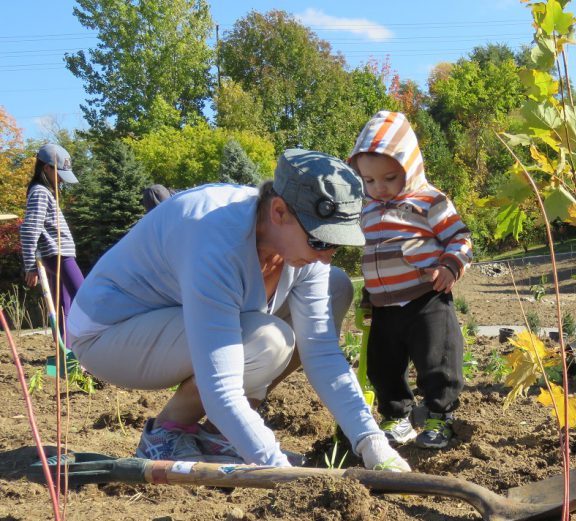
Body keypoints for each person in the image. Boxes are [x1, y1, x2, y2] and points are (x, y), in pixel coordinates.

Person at [66, 149, 410, 471]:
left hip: (175, 324)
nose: (325, 254)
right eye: (320, 241)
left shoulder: (299, 239)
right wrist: (277, 469)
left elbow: (321, 352)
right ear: (278, 212)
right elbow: (221, 388)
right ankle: (165, 437)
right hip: (110, 333)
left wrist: (373, 444)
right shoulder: (215, 241)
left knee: (335, 285)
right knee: (267, 339)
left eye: (335, 243)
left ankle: (221, 439)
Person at [349, 111, 473, 450]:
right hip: (384, 305)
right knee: (382, 365)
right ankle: (396, 419)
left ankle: (438, 417)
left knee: (438, 360)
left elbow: (460, 238)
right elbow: (373, 255)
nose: (380, 188)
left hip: (426, 296)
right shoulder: (369, 209)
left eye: (389, 178)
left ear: (410, 166)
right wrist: (368, 295)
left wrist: (450, 266)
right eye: (369, 181)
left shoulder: (429, 201)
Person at [19, 143, 84, 341]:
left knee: (64, 304)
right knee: (84, 297)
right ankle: (93, 348)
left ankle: (66, 353)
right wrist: (30, 265)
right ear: (46, 168)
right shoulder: (40, 191)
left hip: (58, 254)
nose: (62, 182)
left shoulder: (46, 191)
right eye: (59, 175)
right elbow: (30, 228)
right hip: (58, 255)